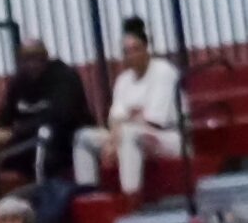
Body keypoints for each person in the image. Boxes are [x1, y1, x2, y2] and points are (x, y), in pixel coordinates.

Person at [0, 36, 93, 205]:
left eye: (37, 56)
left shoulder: (64, 76)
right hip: (26, 142)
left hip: (61, 142)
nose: (32, 63)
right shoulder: (19, 82)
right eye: (26, 58)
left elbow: (61, 116)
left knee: (47, 133)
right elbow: (5, 114)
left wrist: (13, 133)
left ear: (46, 56)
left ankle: (47, 197)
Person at [73, 18, 184, 199]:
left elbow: (153, 121)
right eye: (126, 52)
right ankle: (89, 196)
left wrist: (124, 127)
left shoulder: (164, 71)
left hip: (168, 138)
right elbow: (115, 119)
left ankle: (130, 196)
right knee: (83, 137)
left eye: (136, 50)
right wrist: (112, 141)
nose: (131, 55)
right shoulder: (123, 79)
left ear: (147, 49)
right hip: (130, 135)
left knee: (129, 133)